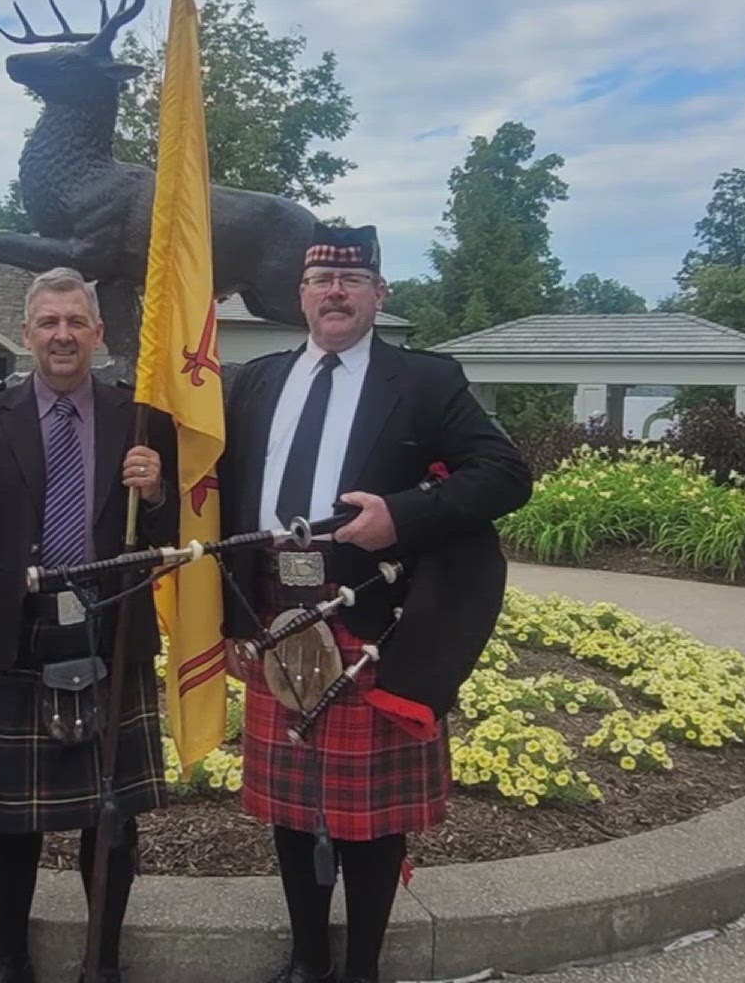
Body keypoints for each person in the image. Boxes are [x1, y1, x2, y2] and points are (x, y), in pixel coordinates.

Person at [217, 226, 531, 983]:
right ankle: (307, 958)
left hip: (371, 617)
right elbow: (223, 496)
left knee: (372, 818)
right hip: (273, 608)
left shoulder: (423, 380)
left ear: (378, 295)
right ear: (300, 295)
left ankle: (361, 967)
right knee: (291, 806)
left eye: (352, 280)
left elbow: (506, 474)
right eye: (320, 280)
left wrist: (403, 514)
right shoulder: (255, 381)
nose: (335, 292)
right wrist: (231, 619)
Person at [0, 268, 177, 983]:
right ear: (27, 333)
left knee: (112, 817)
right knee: (8, 820)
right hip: (15, 639)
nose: (63, 335)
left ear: (98, 333)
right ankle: (10, 957)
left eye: (75, 322)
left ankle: (104, 963)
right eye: (49, 322)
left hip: (108, 637)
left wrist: (156, 492)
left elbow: (170, 535)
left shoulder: (142, 419)